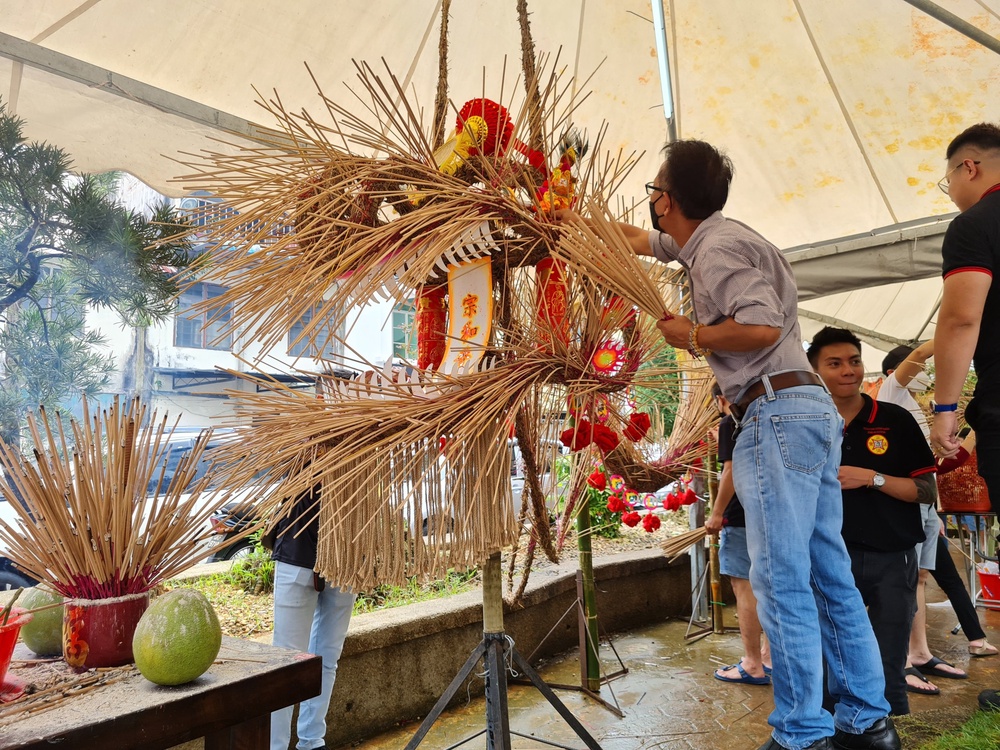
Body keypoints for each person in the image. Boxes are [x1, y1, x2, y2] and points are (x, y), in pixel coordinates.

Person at [563, 139, 899, 750]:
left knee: (780, 576)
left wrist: (692, 333)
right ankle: (867, 720)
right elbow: (634, 242)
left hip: (773, 412)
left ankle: (802, 732)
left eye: (653, 191)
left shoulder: (715, 250)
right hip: (803, 410)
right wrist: (564, 218)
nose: (651, 205)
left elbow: (762, 323)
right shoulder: (713, 237)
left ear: (666, 199)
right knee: (828, 569)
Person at [809, 327, 937, 716]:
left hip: (890, 554)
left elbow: (926, 490)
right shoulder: (806, 422)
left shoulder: (894, 419)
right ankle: (830, 727)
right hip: (827, 556)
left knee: (888, 650)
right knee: (827, 650)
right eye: (835, 363)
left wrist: (872, 478)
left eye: (854, 361)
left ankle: (884, 727)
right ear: (816, 372)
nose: (848, 370)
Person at [927, 122, 1000, 713]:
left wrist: (946, 411)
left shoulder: (976, 225)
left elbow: (959, 321)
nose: (949, 188)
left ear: (969, 167)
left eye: (948, 176)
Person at [270, 481, 356, 750]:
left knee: (328, 658)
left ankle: (312, 742)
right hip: (298, 554)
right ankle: (276, 747)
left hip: (347, 556)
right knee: (286, 662)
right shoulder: (299, 446)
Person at [705, 384, 771, 686]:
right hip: (770, 513)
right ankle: (769, 657)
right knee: (770, 587)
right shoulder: (765, 417)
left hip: (741, 517)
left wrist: (717, 513)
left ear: (721, 399)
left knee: (745, 589)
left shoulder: (731, 421)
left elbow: (731, 470)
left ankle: (752, 663)